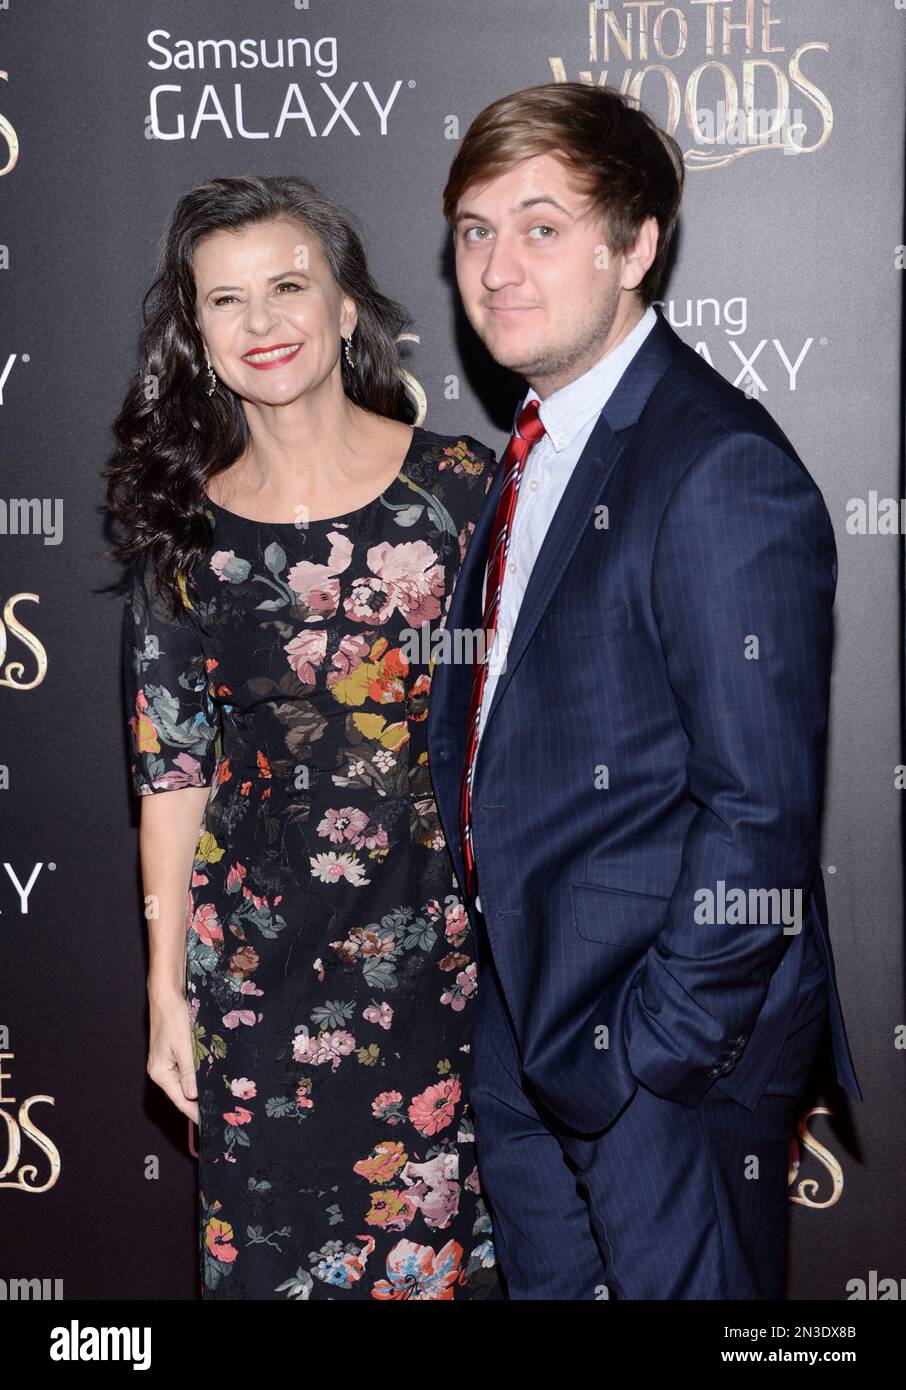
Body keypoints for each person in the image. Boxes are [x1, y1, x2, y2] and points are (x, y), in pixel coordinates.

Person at [426, 83, 863, 1300]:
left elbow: (760, 809)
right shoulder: (537, 447)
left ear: (636, 247)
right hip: (529, 1015)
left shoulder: (717, 463)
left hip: (661, 1050)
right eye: (474, 230)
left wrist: (661, 1048)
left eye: (542, 227)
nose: (496, 267)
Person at [107, 174, 500, 1300]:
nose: (262, 322)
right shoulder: (184, 535)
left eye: (288, 286)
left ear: (345, 306)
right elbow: (172, 772)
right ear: (199, 335)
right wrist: (166, 990)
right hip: (261, 981)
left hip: (458, 970)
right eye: (226, 301)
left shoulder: (464, 492)